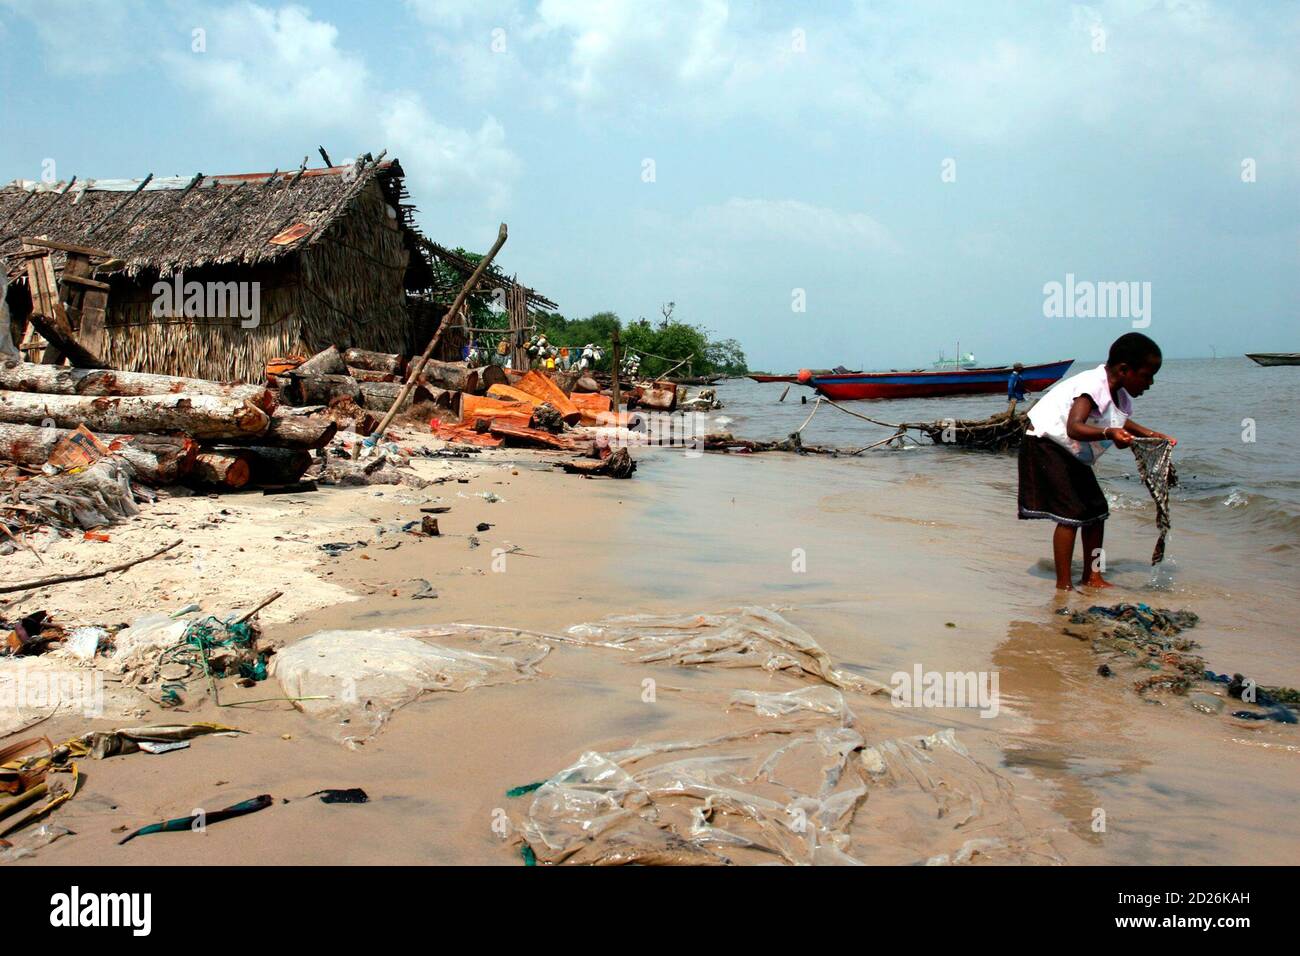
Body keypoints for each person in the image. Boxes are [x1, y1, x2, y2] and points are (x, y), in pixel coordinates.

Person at [1017, 332, 1176, 590]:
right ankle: (1064, 585)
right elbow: (1074, 427)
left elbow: (1118, 421)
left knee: (1096, 511)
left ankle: (1092, 577)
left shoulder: (1119, 394)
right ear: (1124, 369)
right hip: (1045, 441)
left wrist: (1150, 434)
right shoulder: (1092, 386)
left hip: (1070, 449)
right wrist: (1109, 433)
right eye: (1147, 375)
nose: (1151, 383)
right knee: (1069, 513)